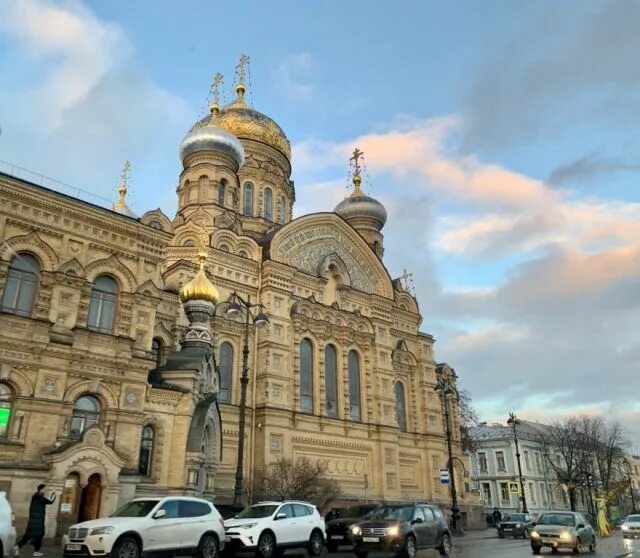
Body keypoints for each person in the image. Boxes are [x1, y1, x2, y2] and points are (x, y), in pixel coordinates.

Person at [15, 484, 56, 557]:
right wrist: (54, 493)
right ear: (41, 489)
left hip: (34, 521)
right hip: (37, 521)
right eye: (45, 489)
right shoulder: (39, 497)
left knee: (31, 536)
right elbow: (51, 501)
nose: (46, 490)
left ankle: (19, 547)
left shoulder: (37, 496)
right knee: (36, 535)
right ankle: (33, 550)